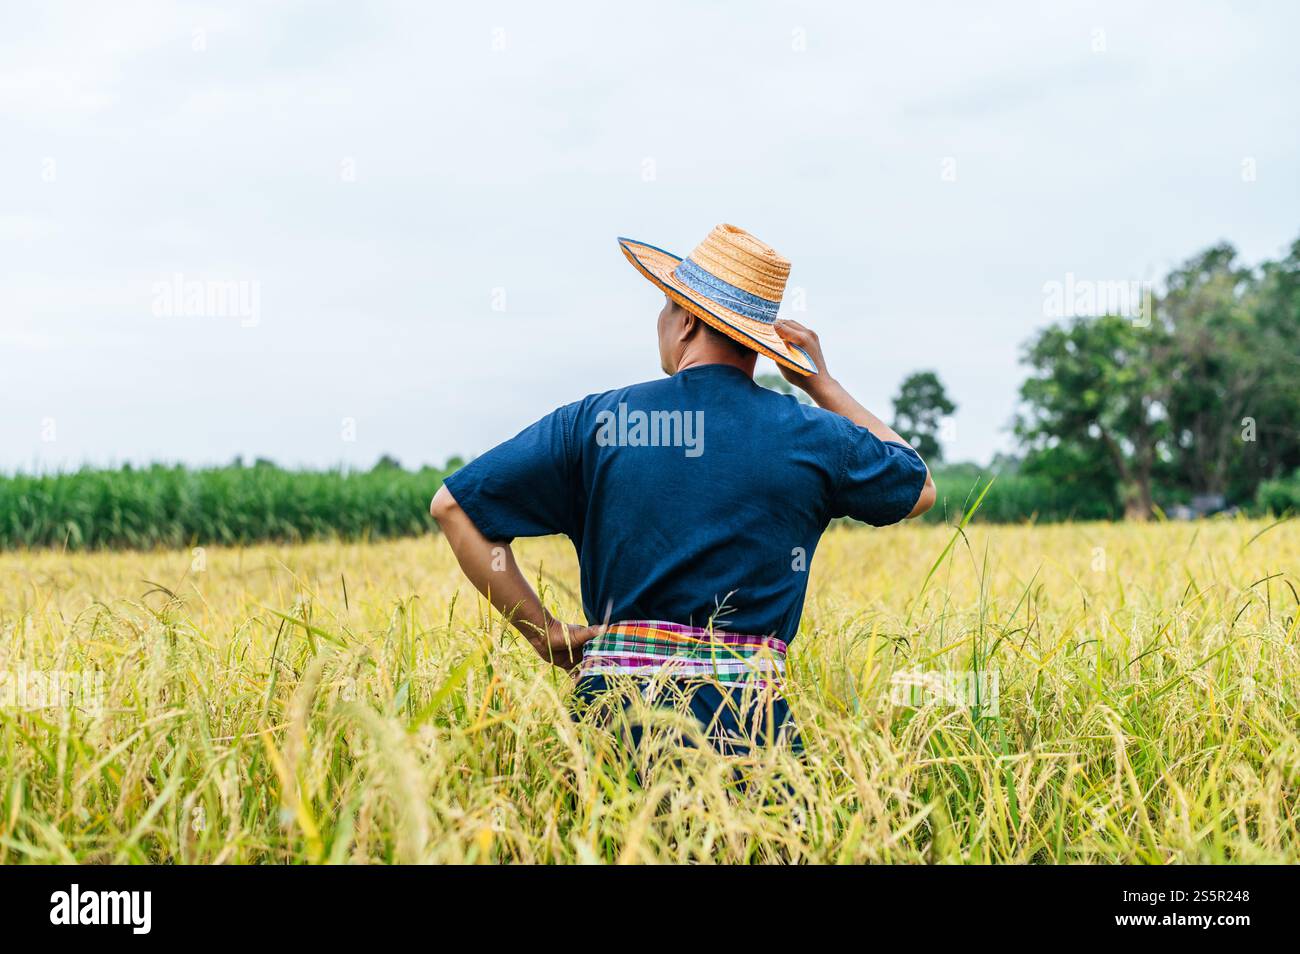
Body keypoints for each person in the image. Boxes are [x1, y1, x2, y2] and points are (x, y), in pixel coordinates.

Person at [431, 224, 935, 753]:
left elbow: (454, 507)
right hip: (751, 729)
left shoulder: (598, 422)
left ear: (688, 320)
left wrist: (548, 636)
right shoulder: (814, 436)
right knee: (754, 840)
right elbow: (917, 486)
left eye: (665, 306)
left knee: (607, 837)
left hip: (613, 726)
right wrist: (818, 382)